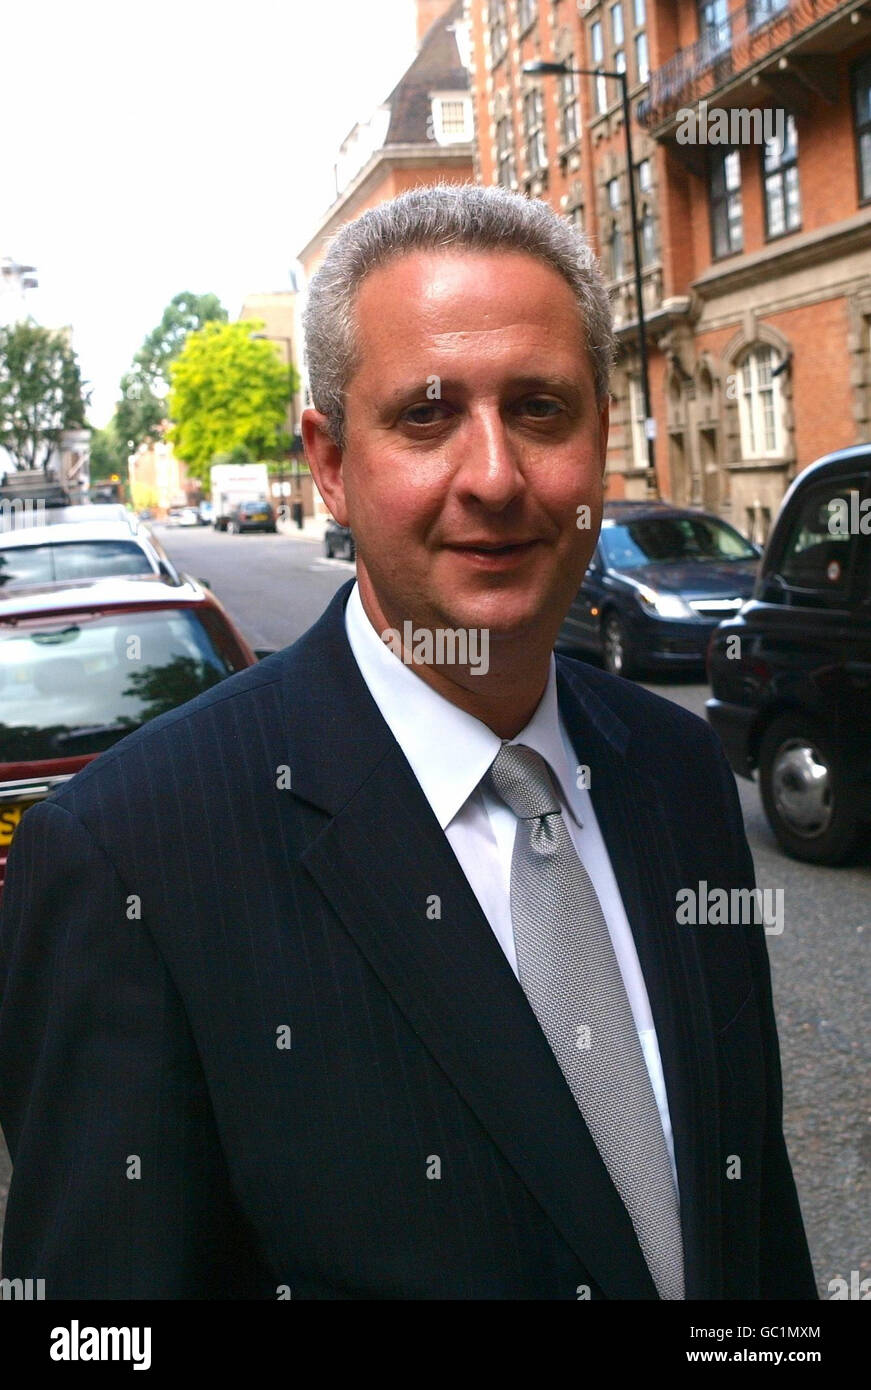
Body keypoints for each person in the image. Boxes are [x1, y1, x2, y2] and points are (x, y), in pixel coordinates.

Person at [0, 184, 815, 1300]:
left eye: (539, 408)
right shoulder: (130, 855)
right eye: (426, 416)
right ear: (330, 462)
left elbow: (750, 1215)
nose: (493, 475)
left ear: (599, 439)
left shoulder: (673, 771)